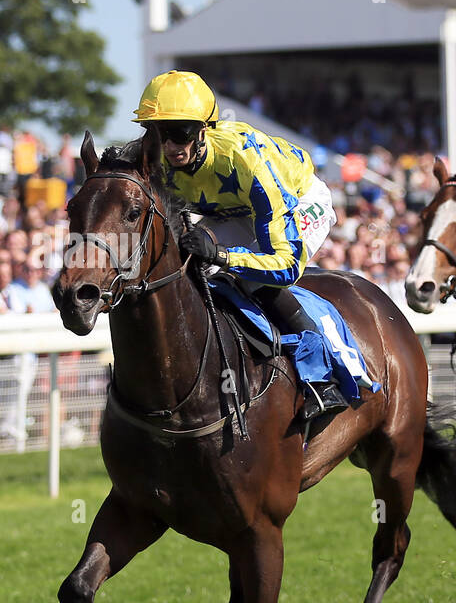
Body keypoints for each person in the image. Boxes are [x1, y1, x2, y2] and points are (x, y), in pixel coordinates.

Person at [131, 69, 347, 429]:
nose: (168, 146)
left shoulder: (247, 162)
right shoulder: (158, 160)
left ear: (203, 129)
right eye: (157, 133)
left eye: (179, 133)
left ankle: (322, 378)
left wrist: (222, 256)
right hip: (234, 210)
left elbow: (285, 265)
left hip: (295, 201)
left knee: (251, 278)